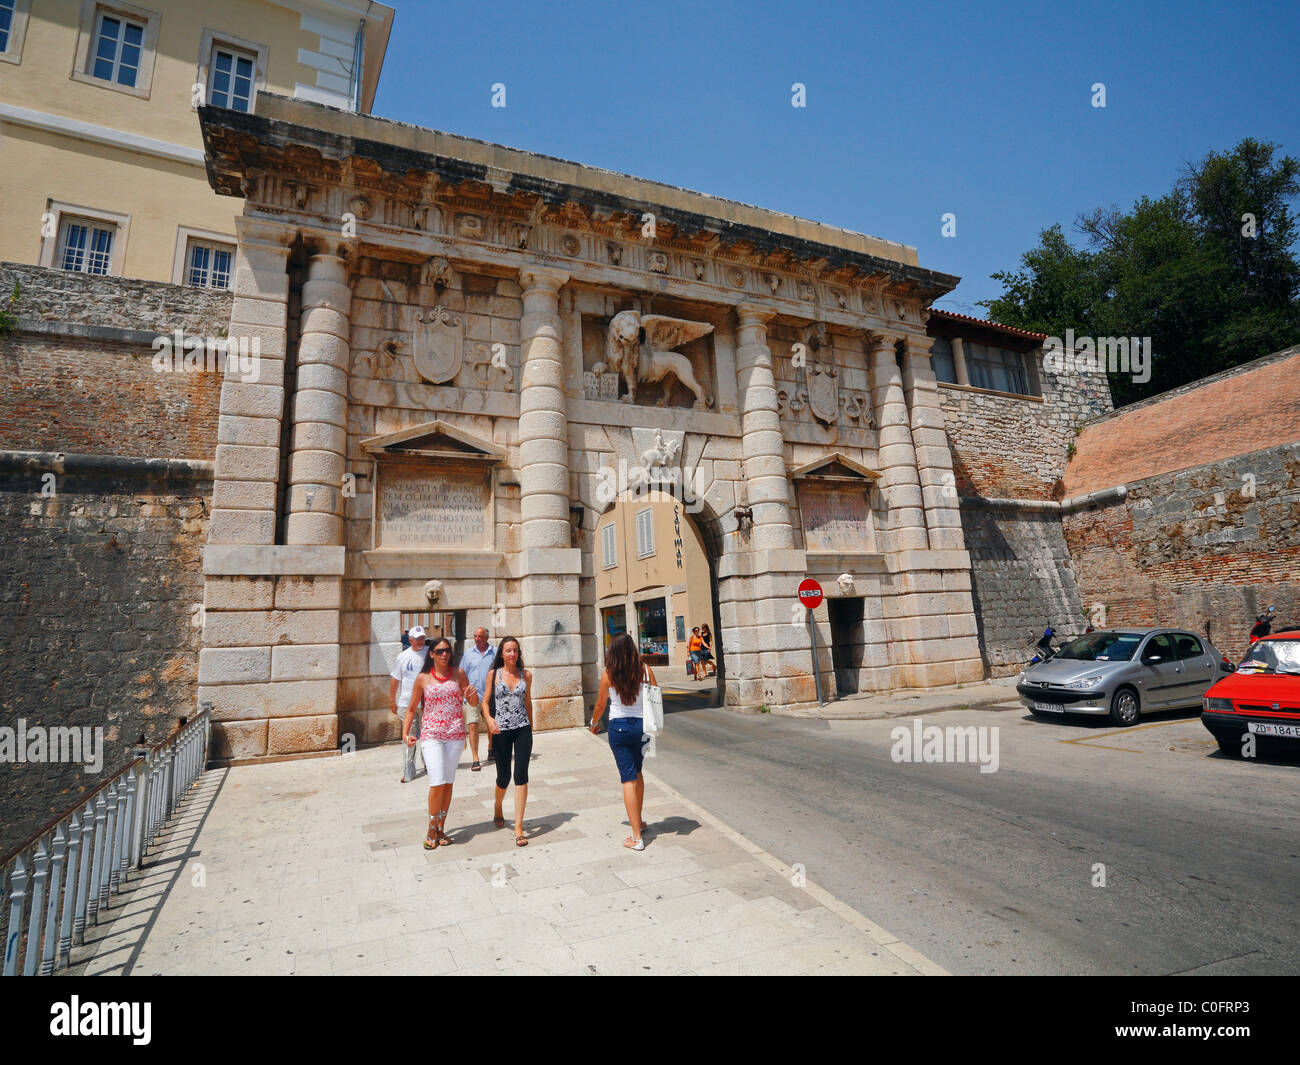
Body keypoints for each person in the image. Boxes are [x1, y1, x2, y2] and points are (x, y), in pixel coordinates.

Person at [404, 637, 480, 849]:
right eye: (439, 651)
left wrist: (473, 697)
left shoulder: (459, 674)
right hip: (431, 735)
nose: (444, 654)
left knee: (447, 783)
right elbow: (411, 709)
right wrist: (406, 734)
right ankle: (431, 826)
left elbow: (472, 703)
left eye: (447, 650)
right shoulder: (423, 678)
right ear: (432, 654)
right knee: (436, 781)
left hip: (455, 735)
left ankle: (441, 827)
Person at [590, 633, 654, 851]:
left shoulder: (609, 674)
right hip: (643, 727)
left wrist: (593, 722)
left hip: (619, 727)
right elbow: (656, 695)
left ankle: (636, 837)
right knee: (637, 772)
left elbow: (600, 704)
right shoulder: (644, 669)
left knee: (627, 778)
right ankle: (640, 821)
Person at [483, 636, 533, 847]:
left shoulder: (526, 675)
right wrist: (489, 719)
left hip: (522, 729)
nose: (512, 654)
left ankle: (519, 827)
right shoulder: (493, 675)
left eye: (515, 650)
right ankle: (497, 806)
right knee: (503, 777)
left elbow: (528, 702)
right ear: (502, 654)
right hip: (501, 730)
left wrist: (532, 727)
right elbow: (485, 703)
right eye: (508, 650)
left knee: (521, 775)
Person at [390, 626, 429, 782]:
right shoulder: (403, 657)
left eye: (422, 638)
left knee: (428, 735)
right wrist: (392, 700)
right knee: (409, 737)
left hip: (427, 703)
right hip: (407, 703)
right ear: (410, 640)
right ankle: (409, 768)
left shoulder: (430, 653)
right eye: (417, 638)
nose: (420, 641)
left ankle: (429, 762)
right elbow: (395, 679)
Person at [459, 627, 494, 771]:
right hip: (472, 697)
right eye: (475, 636)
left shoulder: (495, 652)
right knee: (472, 725)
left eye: (480, 636)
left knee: (491, 725)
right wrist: (462, 695)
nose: (477, 639)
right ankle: (475, 757)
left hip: (491, 696)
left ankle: (491, 749)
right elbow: (461, 674)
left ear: (486, 637)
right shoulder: (468, 654)